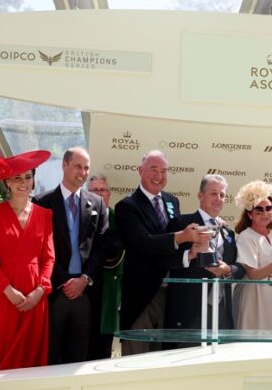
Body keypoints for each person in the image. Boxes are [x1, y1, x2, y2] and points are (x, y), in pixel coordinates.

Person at [115, 150, 207, 355]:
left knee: (163, 356)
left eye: (164, 171)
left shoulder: (172, 201)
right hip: (142, 295)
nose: (159, 176)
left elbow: (170, 249)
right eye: (153, 170)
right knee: (136, 356)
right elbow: (143, 243)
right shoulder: (127, 206)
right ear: (140, 171)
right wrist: (182, 236)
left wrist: (191, 253)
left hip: (172, 294)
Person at [0, 150, 55, 371]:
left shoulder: (44, 215)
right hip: (5, 297)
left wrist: (40, 290)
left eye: (28, 177)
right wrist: (8, 291)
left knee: (32, 359)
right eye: (17, 178)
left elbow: (49, 258)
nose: (24, 183)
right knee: (2, 357)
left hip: (35, 297)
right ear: (7, 183)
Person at [34, 147, 108, 364]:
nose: (83, 173)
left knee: (79, 356)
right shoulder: (42, 203)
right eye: (78, 166)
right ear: (64, 165)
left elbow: (101, 246)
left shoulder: (97, 203)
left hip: (85, 291)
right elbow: (39, 248)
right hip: (54, 290)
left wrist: (84, 279)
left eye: (86, 168)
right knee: (50, 354)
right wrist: (64, 280)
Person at [166, 175, 244, 332]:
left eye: (222, 195)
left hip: (222, 309)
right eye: (213, 193)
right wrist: (190, 254)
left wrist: (228, 270)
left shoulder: (228, 231)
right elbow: (164, 261)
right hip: (189, 310)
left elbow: (239, 267)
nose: (218, 199)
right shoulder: (181, 223)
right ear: (200, 195)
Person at [233, 180, 272, 330]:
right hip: (253, 295)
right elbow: (253, 275)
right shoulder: (246, 237)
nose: (265, 213)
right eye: (259, 210)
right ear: (250, 214)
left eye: (268, 208)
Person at [86, 174, 125, 360]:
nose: (99, 194)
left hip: (109, 289)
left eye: (102, 190)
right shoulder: (80, 219)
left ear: (109, 194)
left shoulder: (120, 220)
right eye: (94, 190)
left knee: (103, 350)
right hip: (84, 288)